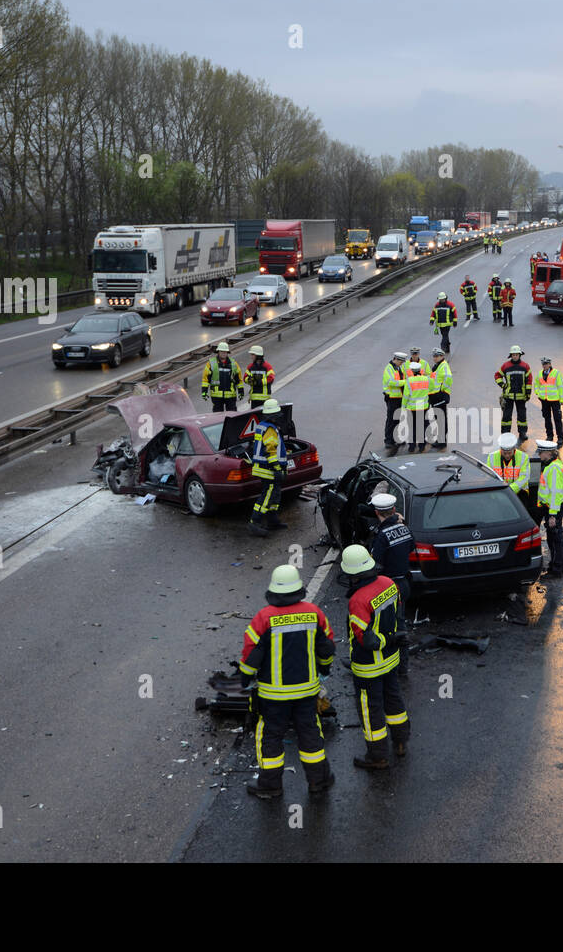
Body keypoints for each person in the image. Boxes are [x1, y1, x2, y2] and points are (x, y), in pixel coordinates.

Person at [239, 564, 336, 799]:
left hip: (273, 696)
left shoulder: (263, 618)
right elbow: (327, 647)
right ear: (298, 589)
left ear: (274, 591)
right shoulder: (314, 613)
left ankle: (270, 787)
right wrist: (324, 668)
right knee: (310, 733)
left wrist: (245, 678)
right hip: (306, 691)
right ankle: (319, 782)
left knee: (271, 737)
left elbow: (251, 656)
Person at [340, 544, 409, 768]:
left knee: (371, 710)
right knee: (394, 699)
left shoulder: (358, 600)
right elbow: (400, 618)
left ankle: (377, 756)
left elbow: (367, 641)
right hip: (392, 659)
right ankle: (400, 742)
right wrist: (394, 641)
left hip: (369, 666)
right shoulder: (389, 584)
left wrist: (384, 641)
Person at [369, 492, 413, 655]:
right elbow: (411, 547)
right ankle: (400, 662)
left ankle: (398, 663)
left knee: (393, 624)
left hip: (389, 586)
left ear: (377, 512)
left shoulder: (382, 536)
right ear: (394, 509)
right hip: (404, 582)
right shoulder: (404, 528)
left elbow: (376, 564)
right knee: (399, 621)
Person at [247, 399, 288, 536]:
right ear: (272, 416)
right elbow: (270, 450)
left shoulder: (262, 426)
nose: (279, 416)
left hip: (265, 467)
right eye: (277, 414)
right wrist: (277, 468)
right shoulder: (270, 429)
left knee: (275, 494)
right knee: (268, 494)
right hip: (268, 469)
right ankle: (255, 522)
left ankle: (272, 520)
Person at [535, 440, 563, 578]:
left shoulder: (553, 468)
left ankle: (556, 570)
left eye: (541, 452)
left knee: (555, 539)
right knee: (556, 538)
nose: (539, 455)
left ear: (548, 453)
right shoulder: (554, 464)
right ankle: (560, 566)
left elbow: (555, 493)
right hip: (555, 507)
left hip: (554, 508)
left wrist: (552, 515)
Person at [495, 344, 533, 442]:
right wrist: (503, 385)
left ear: (520, 355)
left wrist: (528, 393)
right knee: (506, 416)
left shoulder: (525, 366)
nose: (515, 356)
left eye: (516, 354)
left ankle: (522, 433)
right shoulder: (505, 366)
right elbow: (497, 375)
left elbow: (529, 379)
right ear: (511, 355)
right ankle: (505, 433)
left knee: (522, 416)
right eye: (513, 354)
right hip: (508, 396)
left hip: (521, 396)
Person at [200, 342, 243, 413]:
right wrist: (204, 391)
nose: (223, 353)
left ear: (227, 352)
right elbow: (205, 379)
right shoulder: (211, 363)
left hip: (230, 396)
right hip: (217, 396)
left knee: (231, 416)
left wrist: (241, 392)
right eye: (222, 351)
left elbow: (238, 379)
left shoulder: (234, 364)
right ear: (218, 352)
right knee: (217, 417)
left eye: (225, 352)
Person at [486, 432, 529, 498]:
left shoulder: (523, 457)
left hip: (519, 492)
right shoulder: (491, 457)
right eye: (504, 453)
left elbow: (524, 477)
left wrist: (509, 490)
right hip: (499, 492)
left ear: (514, 449)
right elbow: (489, 477)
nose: (507, 455)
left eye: (509, 453)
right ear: (500, 449)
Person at [535, 356, 563, 446]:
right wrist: (538, 392)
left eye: (546, 364)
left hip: (555, 400)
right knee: (547, 418)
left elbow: (561, 386)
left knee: (557, 419)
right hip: (544, 400)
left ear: (550, 364)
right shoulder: (540, 373)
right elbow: (536, 384)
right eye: (543, 364)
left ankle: (560, 437)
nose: (545, 366)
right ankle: (549, 436)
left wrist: (562, 399)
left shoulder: (556, 373)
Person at [402, 361, 431, 452]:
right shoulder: (426, 379)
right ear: (420, 370)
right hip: (423, 407)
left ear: (411, 371)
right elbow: (430, 390)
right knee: (422, 426)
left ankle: (412, 447)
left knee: (412, 427)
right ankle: (422, 447)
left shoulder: (409, 381)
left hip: (412, 407)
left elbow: (406, 396)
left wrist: (403, 407)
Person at [427, 347, 452, 449]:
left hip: (440, 395)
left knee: (441, 418)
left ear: (442, 356)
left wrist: (442, 389)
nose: (435, 358)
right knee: (438, 418)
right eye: (434, 356)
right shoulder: (437, 366)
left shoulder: (443, 366)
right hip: (435, 396)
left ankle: (442, 442)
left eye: (437, 356)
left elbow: (449, 379)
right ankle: (440, 439)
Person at [382, 351, 407, 448]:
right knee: (391, 420)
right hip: (392, 398)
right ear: (396, 359)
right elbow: (391, 382)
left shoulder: (397, 368)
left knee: (398, 419)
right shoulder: (389, 368)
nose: (402, 364)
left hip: (399, 398)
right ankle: (389, 441)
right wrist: (404, 382)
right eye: (401, 362)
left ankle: (397, 438)